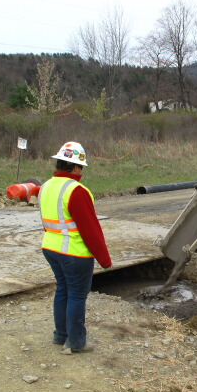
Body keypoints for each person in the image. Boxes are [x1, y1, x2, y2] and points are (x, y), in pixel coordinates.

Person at [40, 141, 112, 355]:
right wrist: (105, 260)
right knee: (77, 296)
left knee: (63, 290)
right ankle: (76, 342)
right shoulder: (77, 191)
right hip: (74, 253)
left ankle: (61, 335)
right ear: (77, 167)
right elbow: (91, 230)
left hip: (51, 248)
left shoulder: (46, 186)